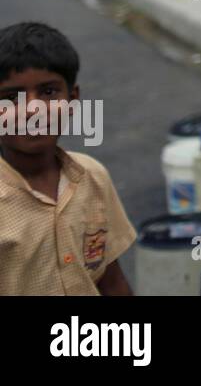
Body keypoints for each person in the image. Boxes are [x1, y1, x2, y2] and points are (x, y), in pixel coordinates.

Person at [0, 22, 135, 295]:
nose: (32, 111)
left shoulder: (92, 176)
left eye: (49, 92)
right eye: (12, 97)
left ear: (73, 101)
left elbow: (112, 281)